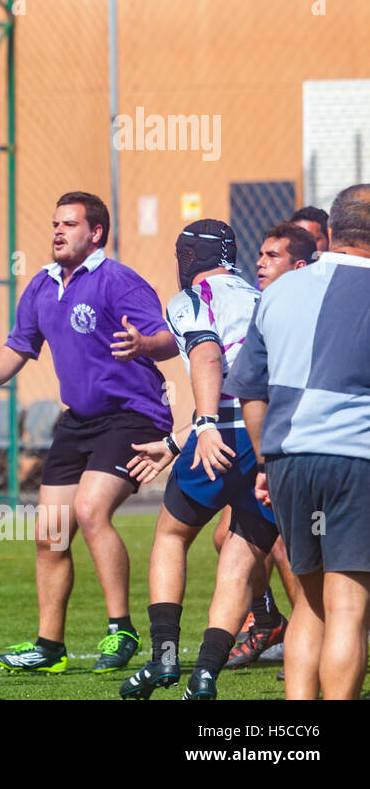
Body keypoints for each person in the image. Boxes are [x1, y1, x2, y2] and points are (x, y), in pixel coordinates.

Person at [0, 191, 177, 674]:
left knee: (89, 510)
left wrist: (143, 342)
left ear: (95, 233)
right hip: (78, 420)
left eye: (69, 224)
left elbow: (168, 339)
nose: (57, 231)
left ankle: (120, 628)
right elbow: (19, 346)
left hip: (132, 415)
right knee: (50, 533)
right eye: (55, 223)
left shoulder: (119, 281)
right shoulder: (41, 285)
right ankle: (49, 647)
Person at [119, 220, 277, 699]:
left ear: (187, 256)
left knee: (171, 534)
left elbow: (206, 354)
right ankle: (206, 672)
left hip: (224, 432)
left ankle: (164, 658)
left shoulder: (191, 298)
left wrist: (203, 426)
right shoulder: (261, 297)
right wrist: (174, 441)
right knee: (243, 550)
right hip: (272, 438)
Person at [226, 184, 370, 700]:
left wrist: (266, 463)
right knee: (349, 606)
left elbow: (249, 391)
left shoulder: (280, 290)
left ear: (331, 232)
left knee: (310, 602)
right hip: (356, 460)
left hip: (289, 461)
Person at [218, 221, 315, 670]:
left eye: (271, 256)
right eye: (259, 254)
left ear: (300, 264)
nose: (259, 262)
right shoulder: (265, 307)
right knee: (231, 537)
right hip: (273, 451)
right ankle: (277, 624)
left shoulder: (308, 305)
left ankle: (308, 636)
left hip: (304, 450)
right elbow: (247, 389)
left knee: (297, 549)